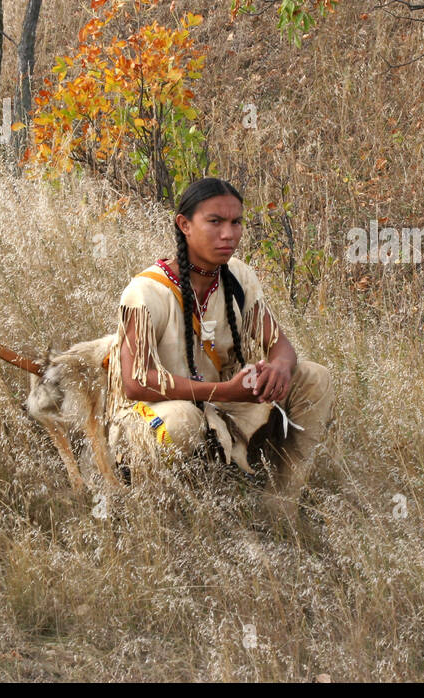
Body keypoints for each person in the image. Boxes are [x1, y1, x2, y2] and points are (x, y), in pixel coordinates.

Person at [104, 177, 333, 526]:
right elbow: (136, 383)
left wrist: (280, 369)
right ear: (184, 225)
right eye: (215, 222)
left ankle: (279, 506)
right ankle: (158, 524)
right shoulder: (146, 290)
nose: (229, 234)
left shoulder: (237, 276)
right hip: (151, 412)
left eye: (236, 222)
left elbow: (281, 346)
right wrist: (225, 391)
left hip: (218, 399)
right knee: (180, 422)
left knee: (315, 377)